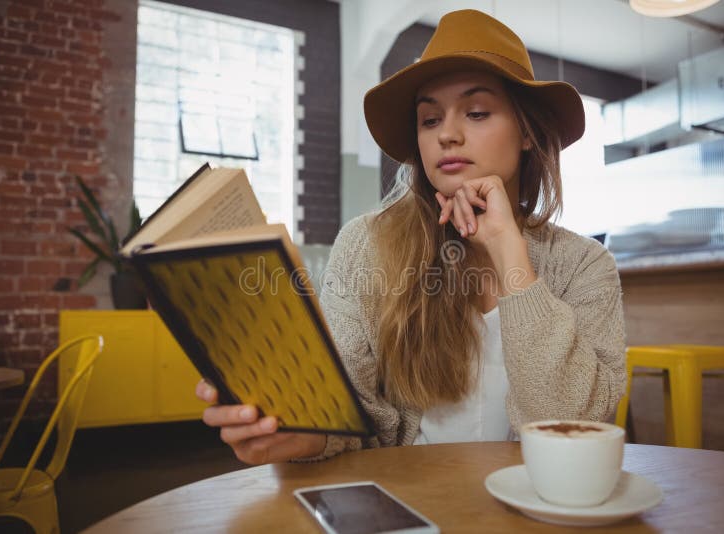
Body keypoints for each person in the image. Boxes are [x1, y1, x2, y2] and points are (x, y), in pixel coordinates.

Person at [196, 9, 626, 465]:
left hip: (535, 504)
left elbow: (575, 428)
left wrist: (508, 253)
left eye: (476, 112)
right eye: (429, 120)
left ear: (526, 132)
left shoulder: (584, 264)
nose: (448, 135)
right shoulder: (367, 243)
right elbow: (352, 407)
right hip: (405, 504)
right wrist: (307, 434)